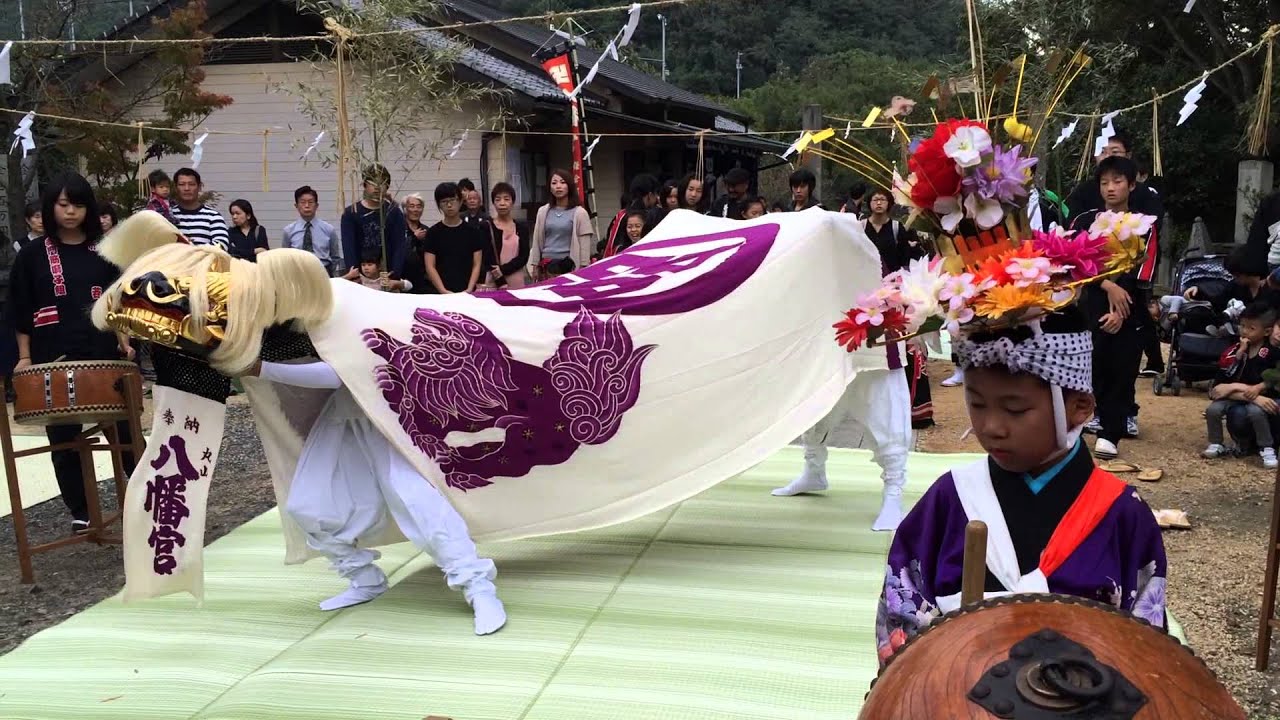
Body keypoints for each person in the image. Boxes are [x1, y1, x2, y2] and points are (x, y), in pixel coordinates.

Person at [876, 308, 1167, 664]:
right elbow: (901, 611)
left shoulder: (1122, 513)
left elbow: (1146, 648)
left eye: (1014, 409)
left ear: (1079, 407)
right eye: (977, 404)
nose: (992, 426)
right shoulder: (951, 498)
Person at [241, 357, 507, 635]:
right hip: (346, 411)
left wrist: (260, 368)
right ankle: (365, 579)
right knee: (307, 503)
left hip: (389, 407)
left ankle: (478, 588)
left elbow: (347, 365)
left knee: (418, 500)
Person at [7, 173, 137, 534]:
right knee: (64, 438)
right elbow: (21, 309)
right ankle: (81, 511)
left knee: (126, 432)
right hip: (53, 354)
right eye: (63, 205)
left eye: (77, 204)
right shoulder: (32, 255)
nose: (70, 212)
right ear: (50, 207)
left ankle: (146, 497)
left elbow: (118, 300)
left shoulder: (106, 251)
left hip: (102, 351)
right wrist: (24, 357)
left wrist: (125, 342)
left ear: (88, 208)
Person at [1072, 156, 1159, 461]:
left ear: (1132, 185)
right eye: (1105, 182)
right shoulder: (1085, 222)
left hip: (1130, 309)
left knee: (1121, 370)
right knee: (1085, 369)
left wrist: (1121, 310)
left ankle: (1112, 432)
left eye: (1118, 181)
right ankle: (1076, 429)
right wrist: (1107, 285)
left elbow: (1145, 270)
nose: (1110, 188)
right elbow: (1076, 264)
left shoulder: (1144, 225)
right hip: (1091, 306)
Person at [863, 187, 932, 428]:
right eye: (875, 199)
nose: (878, 203)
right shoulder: (861, 228)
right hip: (866, 291)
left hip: (892, 290)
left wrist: (902, 286)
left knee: (900, 340)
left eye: (883, 199)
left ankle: (908, 404)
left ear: (890, 204)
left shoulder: (897, 228)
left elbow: (906, 259)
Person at [1202, 303, 1279, 468]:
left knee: (1255, 411)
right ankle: (1216, 442)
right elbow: (1221, 383)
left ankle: (1267, 447)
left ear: (1266, 331)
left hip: (1262, 397)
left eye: (1251, 328)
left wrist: (1259, 389)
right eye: (1242, 326)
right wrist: (1239, 354)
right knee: (1213, 409)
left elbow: (1273, 379)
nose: (1244, 331)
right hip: (1238, 396)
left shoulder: (1270, 352)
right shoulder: (1236, 349)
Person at [341, 164, 408, 280]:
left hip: (388, 276)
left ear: (387, 186)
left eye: (381, 183)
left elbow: (399, 247)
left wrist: (394, 275)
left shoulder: (394, 212)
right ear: (365, 185)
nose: (377, 187)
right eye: (372, 182)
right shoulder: (351, 213)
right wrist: (355, 276)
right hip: (360, 277)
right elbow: (349, 247)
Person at [528, 168, 593, 281]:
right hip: (546, 265)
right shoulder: (543, 211)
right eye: (554, 183)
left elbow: (584, 244)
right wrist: (534, 264)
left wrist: (583, 267)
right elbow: (536, 241)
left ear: (569, 186)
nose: (558, 186)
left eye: (562, 182)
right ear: (549, 187)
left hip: (568, 265)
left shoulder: (580, 212)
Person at [424, 182, 484, 294]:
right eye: (444, 202)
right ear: (439, 205)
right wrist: (443, 290)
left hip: (468, 292)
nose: (449, 205)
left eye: (453, 200)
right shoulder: (433, 233)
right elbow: (430, 266)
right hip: (440, 293)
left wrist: (470, 288)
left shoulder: (473, 232)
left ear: (461, 201)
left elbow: (477, 264)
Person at [282, 186, 341, 277]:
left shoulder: (328, 229)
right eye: (302, 202)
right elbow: (285, 257)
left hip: (322, 272)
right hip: (298, 274)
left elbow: (335, 257)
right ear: (296, 206)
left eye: (310, 202)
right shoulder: (289, 231)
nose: (307, 206)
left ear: (316, 205)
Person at [483, 182, 531, 289]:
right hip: (494, 281)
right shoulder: (486, 226)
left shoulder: (521, 227)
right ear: (493, 203)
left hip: (516, 280)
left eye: (506, 199)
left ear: (513, 202)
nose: (502, 203)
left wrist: (503, 270)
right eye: (498, 199)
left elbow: (523, 256)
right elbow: (487, 257)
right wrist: (500, 280)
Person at [170, 168, 229, 250]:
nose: (187, 188)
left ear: (199, 187)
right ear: (176, 187)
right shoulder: (168, 216)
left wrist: (192, 249)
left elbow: (222, 244)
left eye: (191, 184)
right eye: (182, 184)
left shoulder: (213, 216)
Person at [603, 174, 661, 257]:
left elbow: (611, 246)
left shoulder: (622, 214)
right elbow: (613, 248)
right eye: (656, 194)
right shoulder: (624, 215)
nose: (657, 198)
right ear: (649, 195)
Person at [400, 193, 431, 294]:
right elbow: (400, 250)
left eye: (419, 206)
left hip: (422, 281)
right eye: (412, 206)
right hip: (402, 279)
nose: (415, 210)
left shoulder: (426, 230)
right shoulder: (398, 228)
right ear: (405, 209)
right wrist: (414, 238)